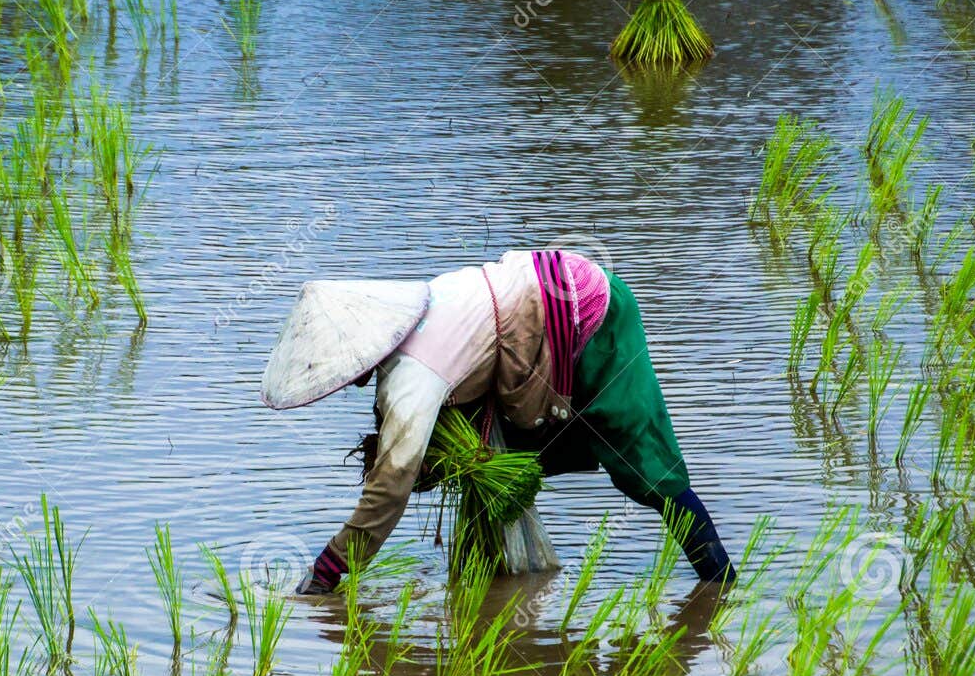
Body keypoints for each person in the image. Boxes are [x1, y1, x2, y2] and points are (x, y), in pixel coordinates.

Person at [260, 248, 735, 594]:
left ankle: (720, 583)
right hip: (539, 311)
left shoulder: (414, 378)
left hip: (593, 315)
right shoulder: (419, 308)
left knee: (649, 468)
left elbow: (391, 488)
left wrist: (331, 566)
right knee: (499, 466)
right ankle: (503, 592)